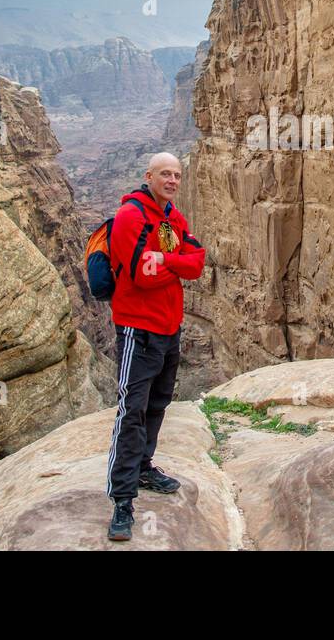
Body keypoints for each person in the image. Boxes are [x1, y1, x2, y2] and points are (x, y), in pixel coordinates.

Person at [104, 152, 205, 541]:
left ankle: (144, 467)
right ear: (148, 175)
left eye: (178, 175)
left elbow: (197, 263)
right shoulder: (132, 216)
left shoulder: (172, 217)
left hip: (168, 328)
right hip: (137, 330)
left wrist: (167, 258)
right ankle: (122, 501)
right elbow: (141, 276)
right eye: (166, 173)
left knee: (158, 404)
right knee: (132, 411)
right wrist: (175, 260)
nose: (173, 180)